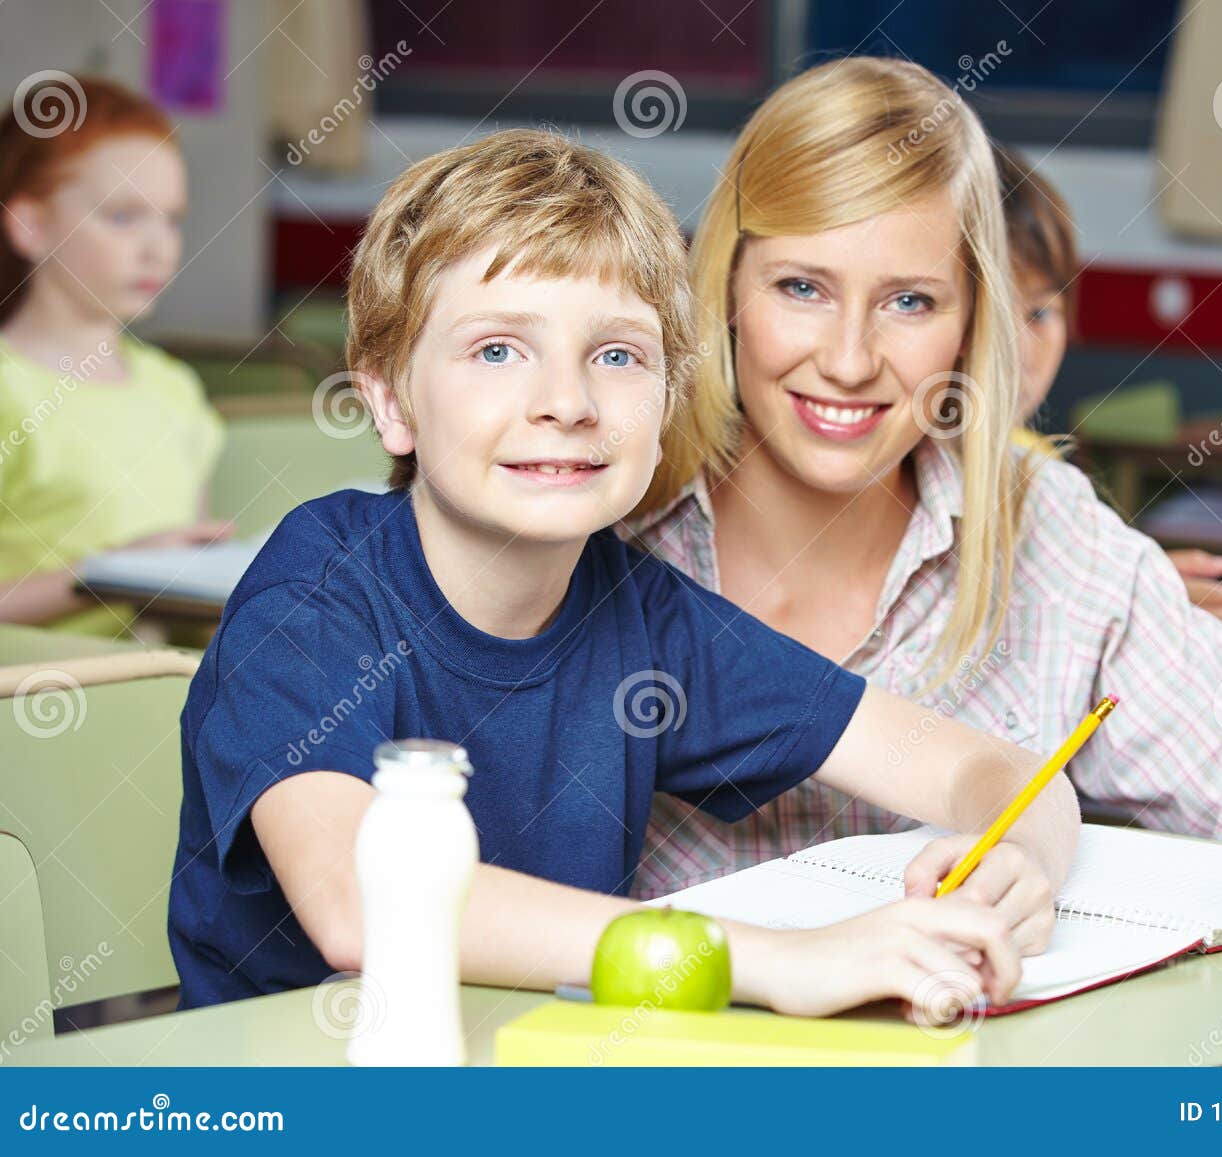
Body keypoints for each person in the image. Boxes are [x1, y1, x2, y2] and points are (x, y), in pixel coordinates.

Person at [168, 128, 1077, 1017]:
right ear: (391, 401)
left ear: (669, 397)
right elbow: (363, 903)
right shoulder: (315, 597)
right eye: (497, 350)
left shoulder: (644, 618)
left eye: (617, 355)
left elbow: (985, 767)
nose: (567, 402)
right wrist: (778, 960)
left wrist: (1015, 861)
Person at [626, 57, 1222, 947]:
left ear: (975, 317)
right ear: (726, 286)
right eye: (801, 288)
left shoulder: (1045, 530)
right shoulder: (610, 518)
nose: (849, 361)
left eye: (909, 301)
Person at [992, 143, 1222, 642]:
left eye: (1039, 314)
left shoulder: (1040, 466)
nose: (1019, 348)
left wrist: (1146, 586)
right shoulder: (900, 472)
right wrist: (1125, 604)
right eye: (992, 313)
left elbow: (1074, 585)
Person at [0, 75, 228, 634]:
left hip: (175, 678)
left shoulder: (175, 388)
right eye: (123, 216)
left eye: (171, 218)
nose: (158, 247)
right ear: (30, 225)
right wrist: (103, 574)